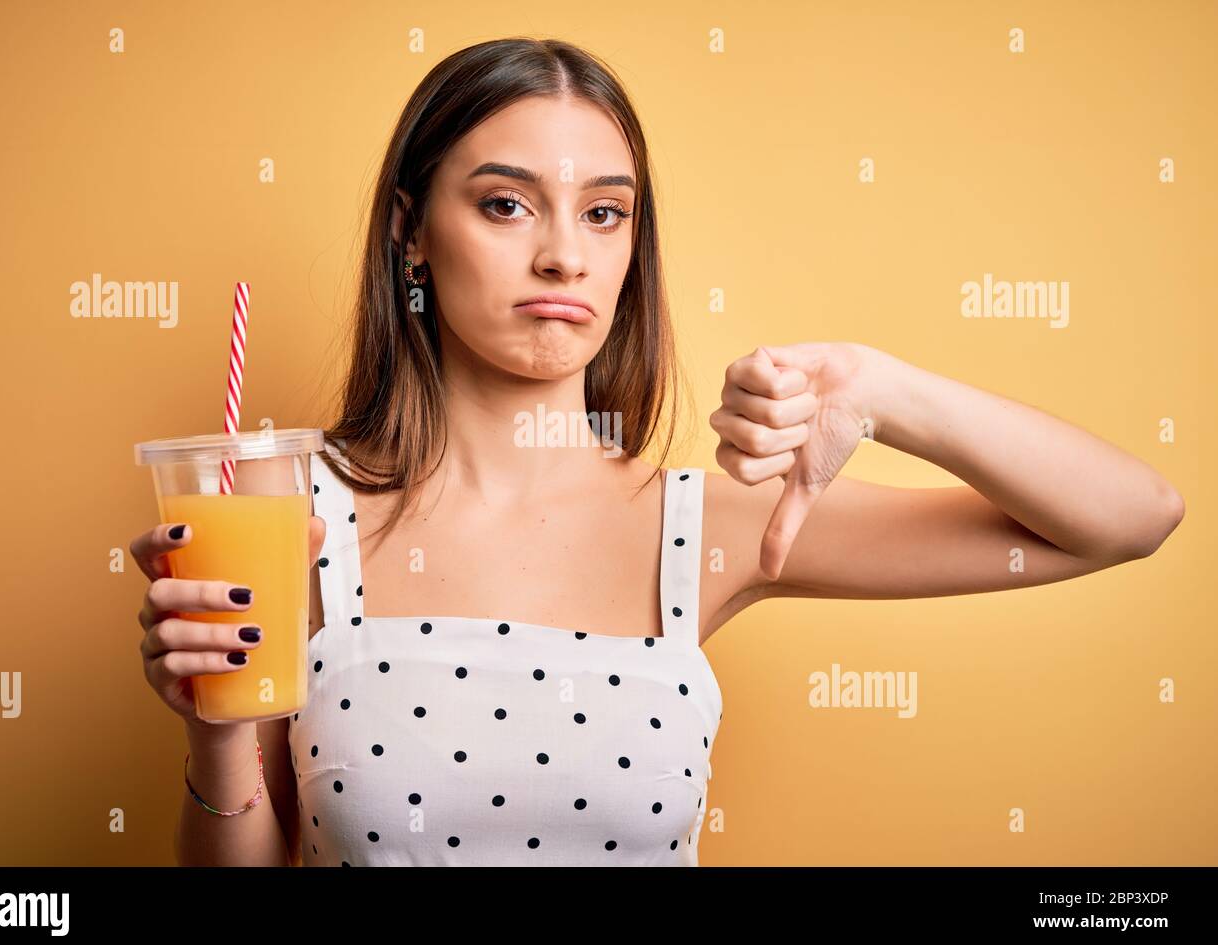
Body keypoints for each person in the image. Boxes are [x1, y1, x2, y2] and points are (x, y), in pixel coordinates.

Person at [129, 37, 1185, 866]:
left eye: (604, 213)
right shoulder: (287, 511)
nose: (563, 254)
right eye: (505, 203)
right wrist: (216, 728)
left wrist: (884, 388)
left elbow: (1132, 516)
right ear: (409, 229)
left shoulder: (712, 525)